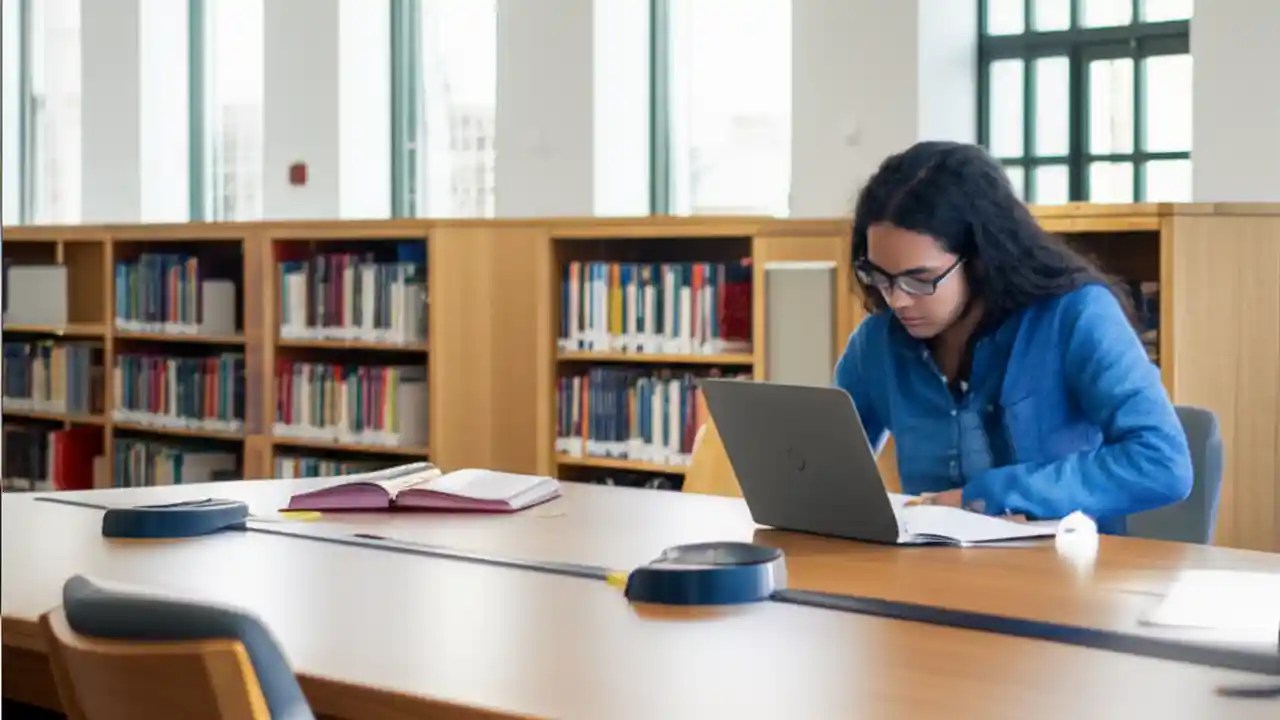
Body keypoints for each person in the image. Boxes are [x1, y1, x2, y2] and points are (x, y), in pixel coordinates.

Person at [834, 141, 1191, 534]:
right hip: (931, 573)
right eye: (880, 277)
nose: (897, 300)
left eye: (920, 279)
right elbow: (828, 470)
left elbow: (1162, 463)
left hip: (1068, 574)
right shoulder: (878, 342)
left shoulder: (1075, 316)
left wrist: (992, 495)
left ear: (983, 258)